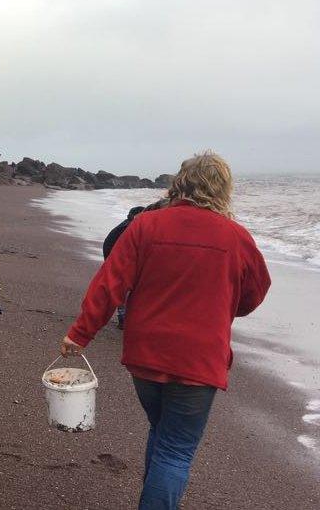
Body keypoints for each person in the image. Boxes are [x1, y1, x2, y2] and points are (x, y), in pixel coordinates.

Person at [59, 152, 271, 510]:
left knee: (163, 434)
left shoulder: (146, 225)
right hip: (199, 362)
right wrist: (223, 308)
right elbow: (255, 292)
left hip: (146, 356)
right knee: (175, 449)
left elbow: (109, 284)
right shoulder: (236, 237)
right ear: (222, 190)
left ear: (180, 184)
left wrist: (80, 334)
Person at [102, 199, 169, 329]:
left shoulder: (144, 221)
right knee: (123, 286)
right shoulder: (135, 227)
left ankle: (129, 317)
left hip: (115, 249)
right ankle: (124, 318)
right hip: (115, 251)